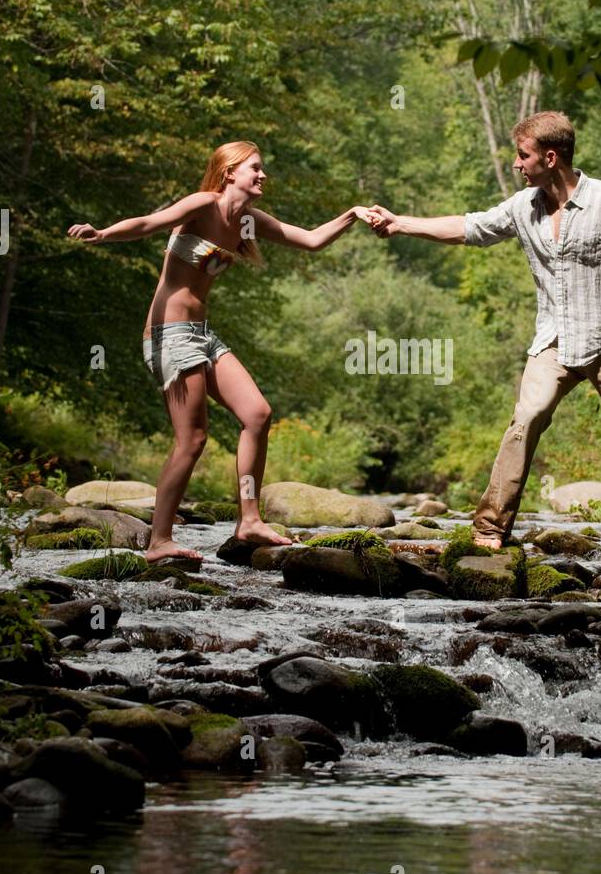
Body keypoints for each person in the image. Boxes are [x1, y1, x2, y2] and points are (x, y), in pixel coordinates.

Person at [366, 111, 601, 588]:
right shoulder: (523, 207)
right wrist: (400, 224)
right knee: (526, 419)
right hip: (554, 341)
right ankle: (489, 529)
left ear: (550, 157)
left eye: (523, 155)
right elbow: (470, 227)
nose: (517, 164)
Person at [68, 140, 374, 562]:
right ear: (230, 172)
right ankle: (159, 541)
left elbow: (310, 240)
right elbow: (149, 222)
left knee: (257, 414)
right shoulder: (203, 204)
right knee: (192, 439)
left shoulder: (247, 221)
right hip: (168, 334)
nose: (263, 175)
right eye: (255, 168)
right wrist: (102, 234)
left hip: (201, 334)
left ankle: (248, 520)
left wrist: (353, 214)